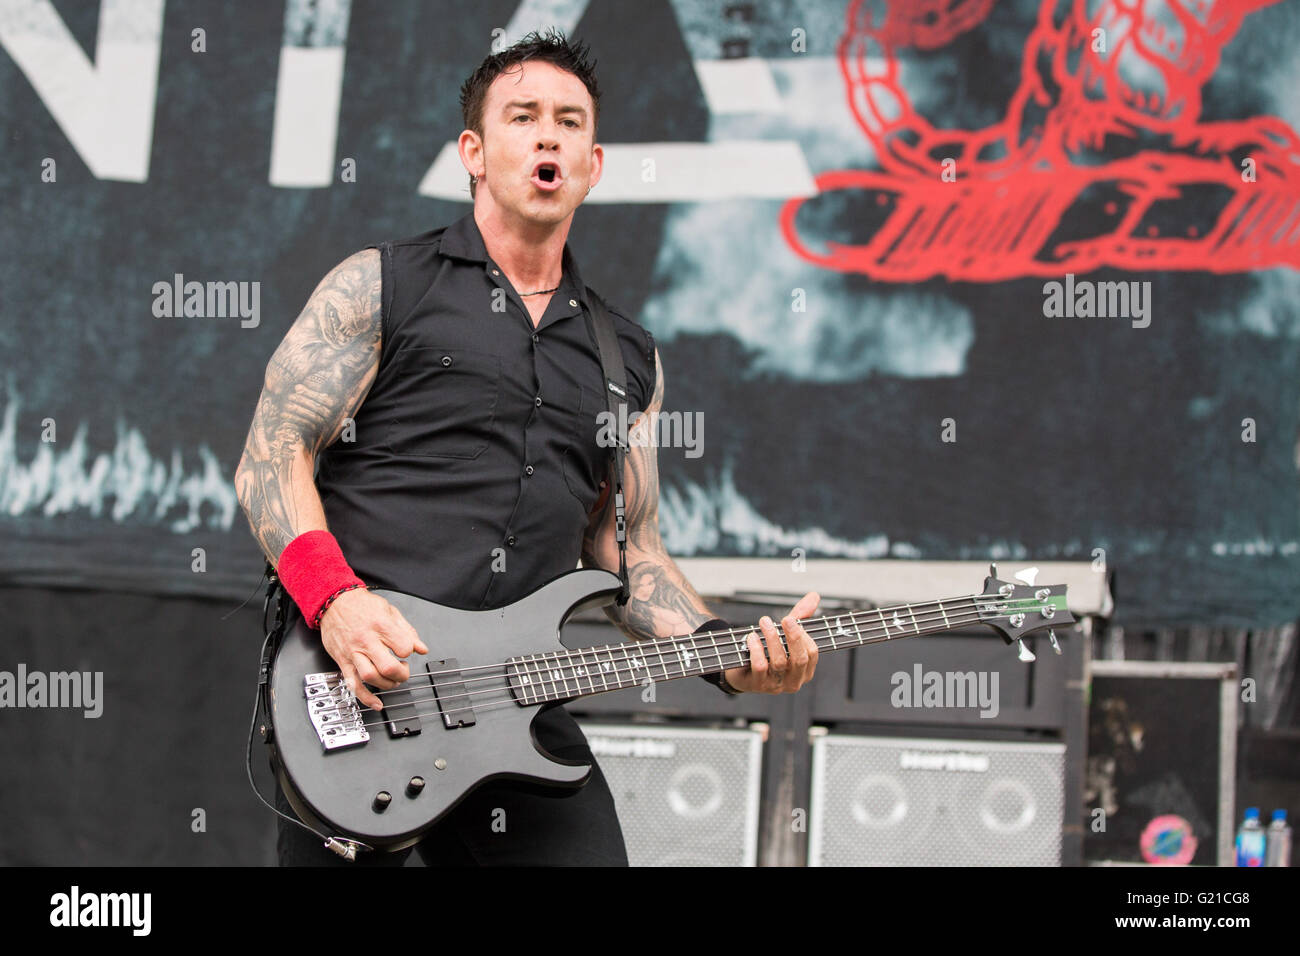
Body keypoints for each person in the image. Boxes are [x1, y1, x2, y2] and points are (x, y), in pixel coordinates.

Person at [234, 29, 819, 867]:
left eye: (569, 121)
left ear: (594, 161)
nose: (549, 135)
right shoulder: (382, 285)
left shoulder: (626, 358)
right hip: (363, 690)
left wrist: (731, 659)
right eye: (523, 117)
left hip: (518, 705)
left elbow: (626, 555)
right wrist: (337, 603)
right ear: (474, 152)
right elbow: (269, 455)